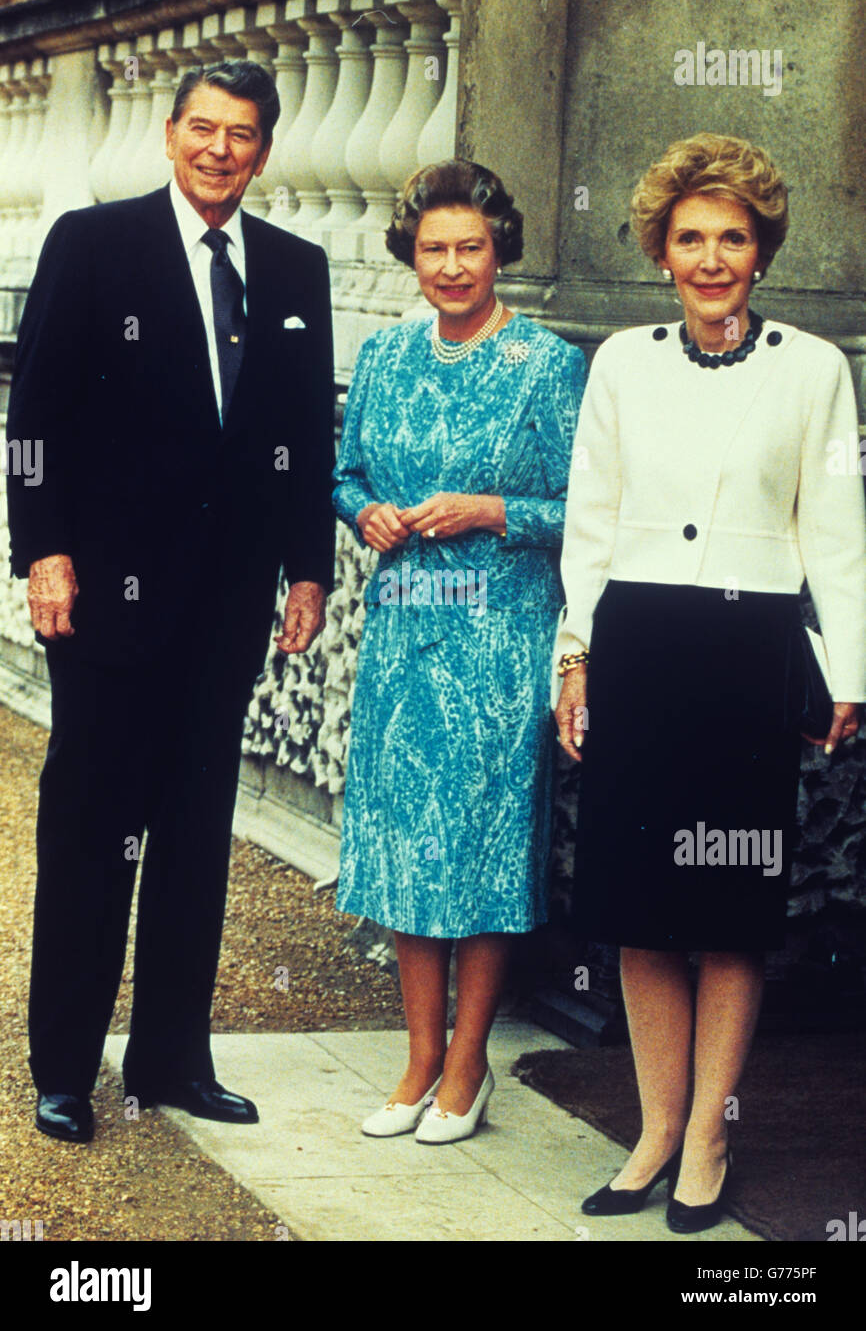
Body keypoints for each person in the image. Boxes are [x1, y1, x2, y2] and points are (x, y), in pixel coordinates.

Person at [5, 60, 336, 1142]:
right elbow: (37, 413)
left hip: (227, 600)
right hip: (105, 596)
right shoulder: (93, 246)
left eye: (241, 134)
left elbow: (300, 438)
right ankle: (64, 1065)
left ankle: (172, 1060)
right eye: (202, 127)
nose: (219, 149)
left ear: (265, 150)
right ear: (168, 134)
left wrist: (306, 567)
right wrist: (43, 551)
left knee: (196, 831)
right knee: (95, 826)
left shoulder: (295, 268)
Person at [553, 132, 866, 1232]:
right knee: (641, 912)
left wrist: (848, 671)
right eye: (688, 236)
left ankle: (707, 1134)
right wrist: (574, 655)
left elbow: (835, 534)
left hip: (748, 654)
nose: (709, 257)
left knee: (727, 911)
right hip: (638, 644)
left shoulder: (813, 368)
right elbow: (588, 523)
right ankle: (649, 1128)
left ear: (761, 247)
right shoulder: (620, 364)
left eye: (730, 236)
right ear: (660, 249)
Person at [332, 159, 586, 1143]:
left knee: (478, 842)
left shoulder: (548, 366)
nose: (450, 266)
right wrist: (367, 513)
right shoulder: (386, 357)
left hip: (500, 629)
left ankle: (468, 1062)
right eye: (433, 248)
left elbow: (586, 509)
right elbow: (342, 471)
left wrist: (491, 509)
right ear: (411, 252)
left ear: (498, 249)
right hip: (404, 626)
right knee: (402, 835)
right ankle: (414, 1056)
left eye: (468, 248)